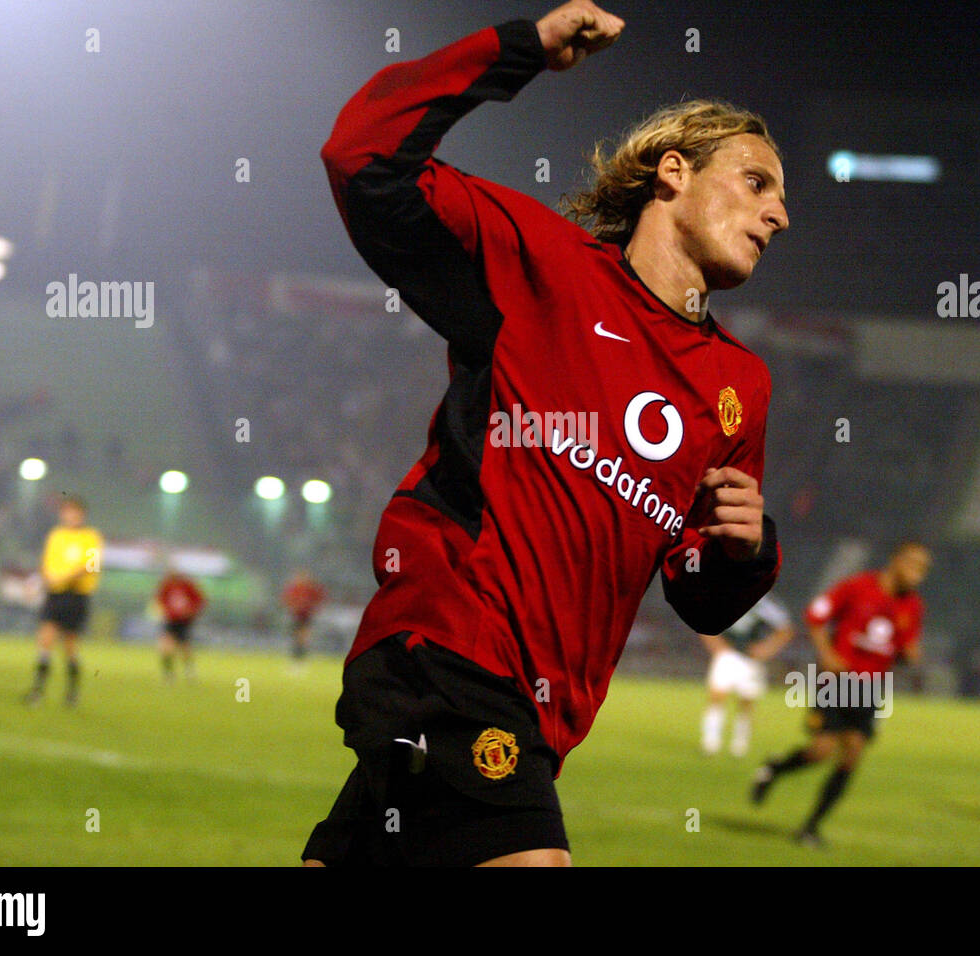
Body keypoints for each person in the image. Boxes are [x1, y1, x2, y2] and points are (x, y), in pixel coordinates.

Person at [302, 0, 787, 867]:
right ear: (672, 172)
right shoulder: (541, 265)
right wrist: (518, 48)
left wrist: (748, 551)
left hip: (543, 708)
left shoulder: (738, 387)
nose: (778, 214)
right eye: (757, 182)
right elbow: (363, 154)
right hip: (449, 642)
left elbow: (698, 590)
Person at [750, 542, 931, 847]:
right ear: (896, 560)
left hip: (871, 687)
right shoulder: (858, 586)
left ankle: (810, 828)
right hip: (838, 682)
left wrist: (910, 655)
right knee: (820, 751)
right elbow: (815, 615)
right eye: (914, 564)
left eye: (924, 569)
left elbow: (906, 647)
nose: (918, 574)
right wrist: (827, 653)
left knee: (852, 755)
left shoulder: (912, 606)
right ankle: (775, 769)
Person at [23, 496, 102, 707]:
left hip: (76, 596)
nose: (70, 516)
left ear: (82, 514)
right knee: (45, 641)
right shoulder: (56, 536)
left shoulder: (91, 537)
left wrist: (65, 576)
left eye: (74, 512)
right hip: (55, 595)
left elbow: (92, 565)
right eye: (67, 512)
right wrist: (39, 582)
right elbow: (47, 566)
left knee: (70, 646)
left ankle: (72, 693)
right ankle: (37, 691)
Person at [698, 594, 793, 756]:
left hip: (750, 659)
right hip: (727, 655)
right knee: (716, 697)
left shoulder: (764, 604)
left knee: (746, 702)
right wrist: (716, 645)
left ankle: (739, 744)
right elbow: (701, 620)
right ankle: (710, 742)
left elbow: (785, 630)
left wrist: (767, 648)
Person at [156, 564, 206, 682]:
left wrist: (191, 612)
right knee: (165, 646)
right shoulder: (166, 586)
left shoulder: (188, 586)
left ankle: (189, 671)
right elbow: (160, 600)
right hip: (171, 620)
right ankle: (168, 673)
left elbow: (200, 601)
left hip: (185, 621)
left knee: (185, 648)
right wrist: (166, 611)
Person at [282, 571, 327, 662]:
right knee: (297, 636)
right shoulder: (294, 589)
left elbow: (319, 599)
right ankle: (297, 655)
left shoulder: (311, 589)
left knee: (303, 636)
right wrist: (292, 607)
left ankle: (301, 655)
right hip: (296, 615)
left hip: (306, 615)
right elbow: (286, 599)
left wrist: (313, 608)